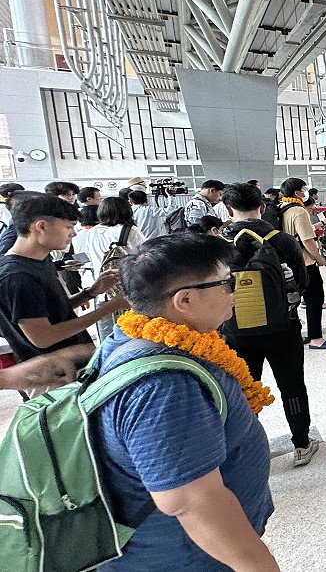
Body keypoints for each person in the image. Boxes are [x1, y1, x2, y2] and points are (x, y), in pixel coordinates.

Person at [91, 233, 281, 570]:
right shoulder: (164, 387)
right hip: (190, 558)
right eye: (226, 282)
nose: (234, 291)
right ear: (185, 300)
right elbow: (192, 502)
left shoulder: (132, 337)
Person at [221, 183, 319, 468]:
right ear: (262, 206)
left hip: (235, 332)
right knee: (292, 385)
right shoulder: (283, 241)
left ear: (229, 210)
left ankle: (247, 449)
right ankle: (301, 443)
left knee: (244, 389)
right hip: (282, 327)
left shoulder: (218, 246)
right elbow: (303, 282)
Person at [0, 193, 125, 379]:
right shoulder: (18, 277)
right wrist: (111, 307)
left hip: (73, 367)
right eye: (68, 226)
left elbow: (51, 312)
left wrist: (91, 292)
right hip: (52, 377)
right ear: (41, 226)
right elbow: (43, 337)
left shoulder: (38, 260)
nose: (73, 233)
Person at [279, 178, 326, 350]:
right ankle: (315, 338)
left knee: (293, 300)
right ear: (297, 193)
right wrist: (320, 259)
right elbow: (307, 240)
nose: (305, 193)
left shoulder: (282, 208)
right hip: (305, 262)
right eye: (303, 190)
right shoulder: (299, 210)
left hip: (288, 261)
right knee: (314, 298)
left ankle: (296, 335)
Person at [85, 197, 147, 340]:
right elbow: (142, 259)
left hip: (101, 288)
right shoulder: (131, 231)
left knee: (106, 336)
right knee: (129, 334)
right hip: (125, 292)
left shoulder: (93, 232)